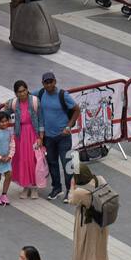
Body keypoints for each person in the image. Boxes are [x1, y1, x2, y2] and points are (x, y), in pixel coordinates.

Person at [69, 164, 112, 260]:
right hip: (103, 218)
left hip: (89, 224)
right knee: (101, 244)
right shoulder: (100, 179)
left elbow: (71, 200)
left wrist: (72, 186)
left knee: (88, 249)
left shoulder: (80, 192)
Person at [37, 71, 79, 201]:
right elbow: (24, 95)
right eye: (46, 82)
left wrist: (68, 126)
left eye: (51, 81)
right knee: (52, 163)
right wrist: (9, 104)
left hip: (63, 136)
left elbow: (77, 109)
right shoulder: (40, 93)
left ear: (55, 82)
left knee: (67, 163)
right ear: (43, 83)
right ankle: (57, 188)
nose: (49, 84)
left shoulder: (63, 95)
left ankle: (70, 190)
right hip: (48, 138)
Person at [6, 80, 45, 199]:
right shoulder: (14, 103)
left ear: (27, 89)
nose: (22, 94)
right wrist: (5, 106)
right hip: (20, 135)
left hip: (33, 134)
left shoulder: (34, 101)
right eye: (19, 92)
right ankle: (25, 186)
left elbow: (41, 120)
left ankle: (34, 187)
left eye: (24, 91)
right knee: (22, 160)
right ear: (16, 93)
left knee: (33, 160)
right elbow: (5, 113)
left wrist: (40, 137)